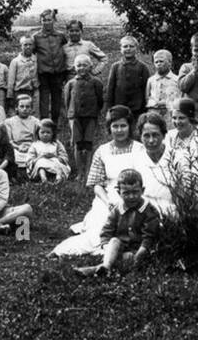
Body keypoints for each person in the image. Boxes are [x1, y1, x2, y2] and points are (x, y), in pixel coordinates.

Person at [53, 106, 146, 257]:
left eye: (123, 126)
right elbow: (97, 184)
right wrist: (108, 201)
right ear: (109, 128)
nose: (119, 130)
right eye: (115, 126)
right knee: (101, 226)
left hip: (134, 194)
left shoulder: (140, 149)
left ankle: (121, 249)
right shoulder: (102, 151)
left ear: (130, 127)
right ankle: (107, 248)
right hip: (109, 195)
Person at [74, 170, 161, 277]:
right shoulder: (117, 210)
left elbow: (149, 237)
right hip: (119, 248)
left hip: (139, 250)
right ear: (119, 192)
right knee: (114, 241)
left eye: (135, 192)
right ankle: (106, 266)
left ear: (142, 190)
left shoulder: (149, 211)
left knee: (128, 257)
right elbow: (107, 231)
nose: (131, 196)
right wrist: (107, 248)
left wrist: (139, 255)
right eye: (126, 193)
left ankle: (99, 269)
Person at [63, 54, 104, 184]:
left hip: (90, 116)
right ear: (74, 67)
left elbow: (100, 100)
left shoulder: (96, 82)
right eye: (78, 65)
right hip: (75, 116)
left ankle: (88, 172)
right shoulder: (70, 83)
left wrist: (95, 112)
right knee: (77, 144)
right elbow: (67, 101)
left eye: (85, 65)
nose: (81, 68)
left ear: (90, 66)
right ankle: (80, 172)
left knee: (88, 144)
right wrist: (71, 114)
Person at [164, 97, 198, 187]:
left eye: (181, 118)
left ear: (190, 118)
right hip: (174, 184)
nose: (177, 122)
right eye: (174, 118)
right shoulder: (169, 136)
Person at [105, 35, 151, 130]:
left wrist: (146, 108)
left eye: (131, 46)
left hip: (137, 108)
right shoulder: (115, 67)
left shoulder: (142, 67)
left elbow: (146, 89)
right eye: (125, 46)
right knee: (121, 129)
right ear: (120, 49)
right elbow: (110, 88)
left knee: (136, 131)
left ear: (136, 49)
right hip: (119, 106)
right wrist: (109, 108)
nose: (128, 49)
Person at [136, 112, 177, 217]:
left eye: (155, 135)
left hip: (171, 211)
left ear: (163, 135)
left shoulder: (178, 157)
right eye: (146, 136)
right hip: (142, 212)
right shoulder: (135, 159)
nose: (151, 140)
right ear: (140, 136)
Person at [33, 10, 67, 125]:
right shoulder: (36, 37)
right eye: (44, 20)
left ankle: (55, 122)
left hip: (58, 72)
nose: (46, 22)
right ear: (40, 21)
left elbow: (65, 49)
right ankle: (44, 123)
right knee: (44, 99)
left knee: (57, 98)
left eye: (49, 20)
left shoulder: (60, 36)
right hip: (43, 73)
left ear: (54, 20)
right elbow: (32, 53)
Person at [3, 93, 41, 169]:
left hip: (31, 147)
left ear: (31, 108)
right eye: (22, 106)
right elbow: (9, 140)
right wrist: (18, 147)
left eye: (27, 107)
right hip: (15, 148)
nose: (24, 109)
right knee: (11, 157)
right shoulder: (9, 122)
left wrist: (31, 146)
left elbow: (38, 140)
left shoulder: (36, 122)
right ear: (16, 108)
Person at [144, 49, 182, 125]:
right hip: (154, 112)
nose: (158, 64)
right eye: (156, 62)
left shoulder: (176, 80)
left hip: (170, 114)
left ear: (170, 63)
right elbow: (147, 96)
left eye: (161, 61)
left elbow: (179, 97)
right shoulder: (151, 80)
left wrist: (167, 103)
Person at [6, 35, 38, 113]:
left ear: (33, 46)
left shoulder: (36, 60)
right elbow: (11, 80)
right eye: (25, 45)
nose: (28, 47)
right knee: (20, 112)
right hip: (19, 91)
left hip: (33, 91)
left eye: (30, 45)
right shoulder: (15, 61)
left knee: (33, 112)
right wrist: (10, 96)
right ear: (21, 46)